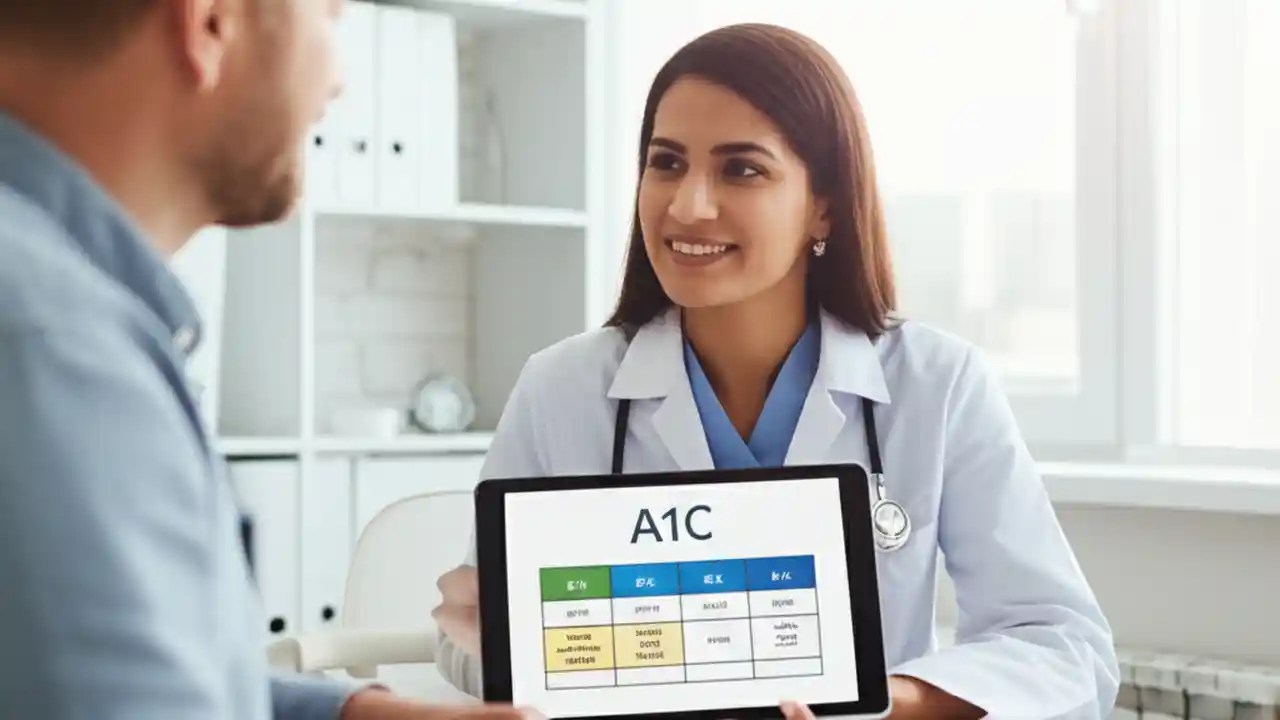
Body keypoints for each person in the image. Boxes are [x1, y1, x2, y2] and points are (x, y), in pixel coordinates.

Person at [434, 22, 1119, 720]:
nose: (687, 204)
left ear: (824, 203)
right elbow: (466, 651)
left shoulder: (938, 384)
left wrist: (880, 705)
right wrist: (501, 630)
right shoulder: (561, 388)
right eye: (666, 162)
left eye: (742, 169)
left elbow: (1063, 647)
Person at [0, 1, 536, 718]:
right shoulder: (55, 354)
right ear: (212, 24)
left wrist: (352, 713)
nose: (339, 82)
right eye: (330, 19)